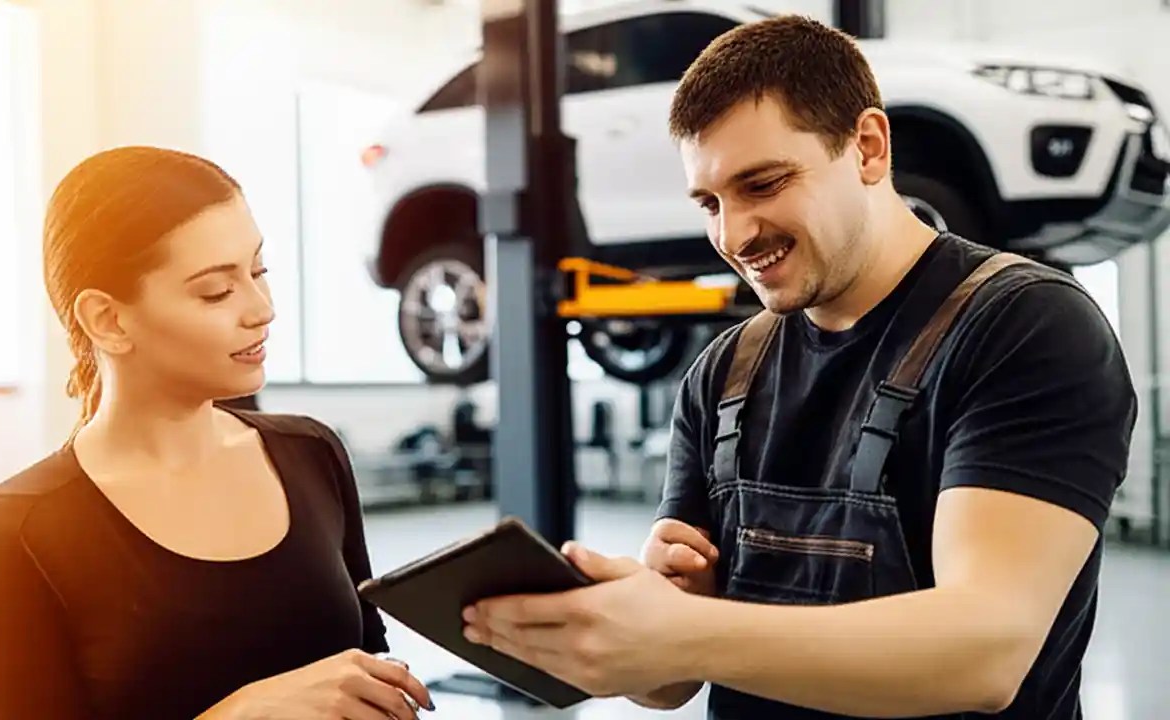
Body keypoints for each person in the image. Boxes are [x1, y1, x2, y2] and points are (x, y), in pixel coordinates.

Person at [460, 15, 1135, 720]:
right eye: (709, 203)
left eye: (763, 184)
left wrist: (685, 630)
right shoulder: (724, 374)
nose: (733, 235)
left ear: (868, 147)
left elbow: (984, 652)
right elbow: (668, 686)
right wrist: (638, 618)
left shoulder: (1022, 327)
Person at [0, 146, 435, 720]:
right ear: (108, 320)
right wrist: (239, 714)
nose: (261, 309)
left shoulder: (312, 454)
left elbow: (370, 675)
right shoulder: (16, 532)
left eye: (258, 272)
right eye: (217, 291)